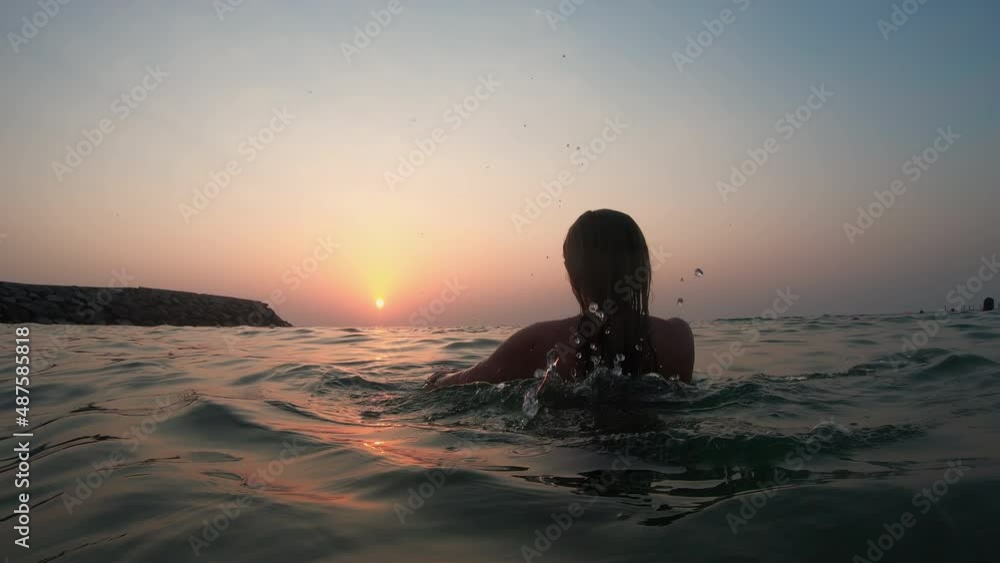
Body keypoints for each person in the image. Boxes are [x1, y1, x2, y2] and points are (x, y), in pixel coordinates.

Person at [425, 209, 694, 389]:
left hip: (572, 461)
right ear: (642, 266)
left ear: (574, 273)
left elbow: (454, 385)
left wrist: (438, 376)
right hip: (651, 464)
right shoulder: (679, 338)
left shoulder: (538, 341)